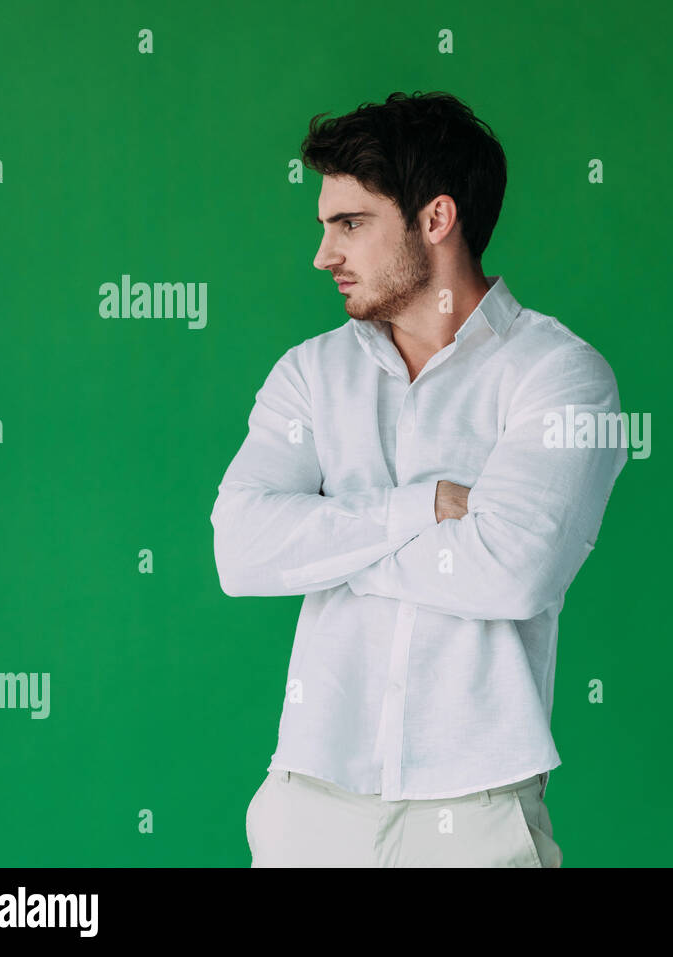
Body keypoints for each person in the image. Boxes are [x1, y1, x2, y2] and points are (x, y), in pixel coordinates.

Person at [211, 91, 627, 867]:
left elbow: (512, 572)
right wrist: (423, 507)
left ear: (436, 219)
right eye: (325, 226)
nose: (323, 254)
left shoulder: (561, 375)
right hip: (308, 799)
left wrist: (331, 536)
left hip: (475, 809)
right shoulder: (310, 374)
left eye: (351, 224)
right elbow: (240, 549)